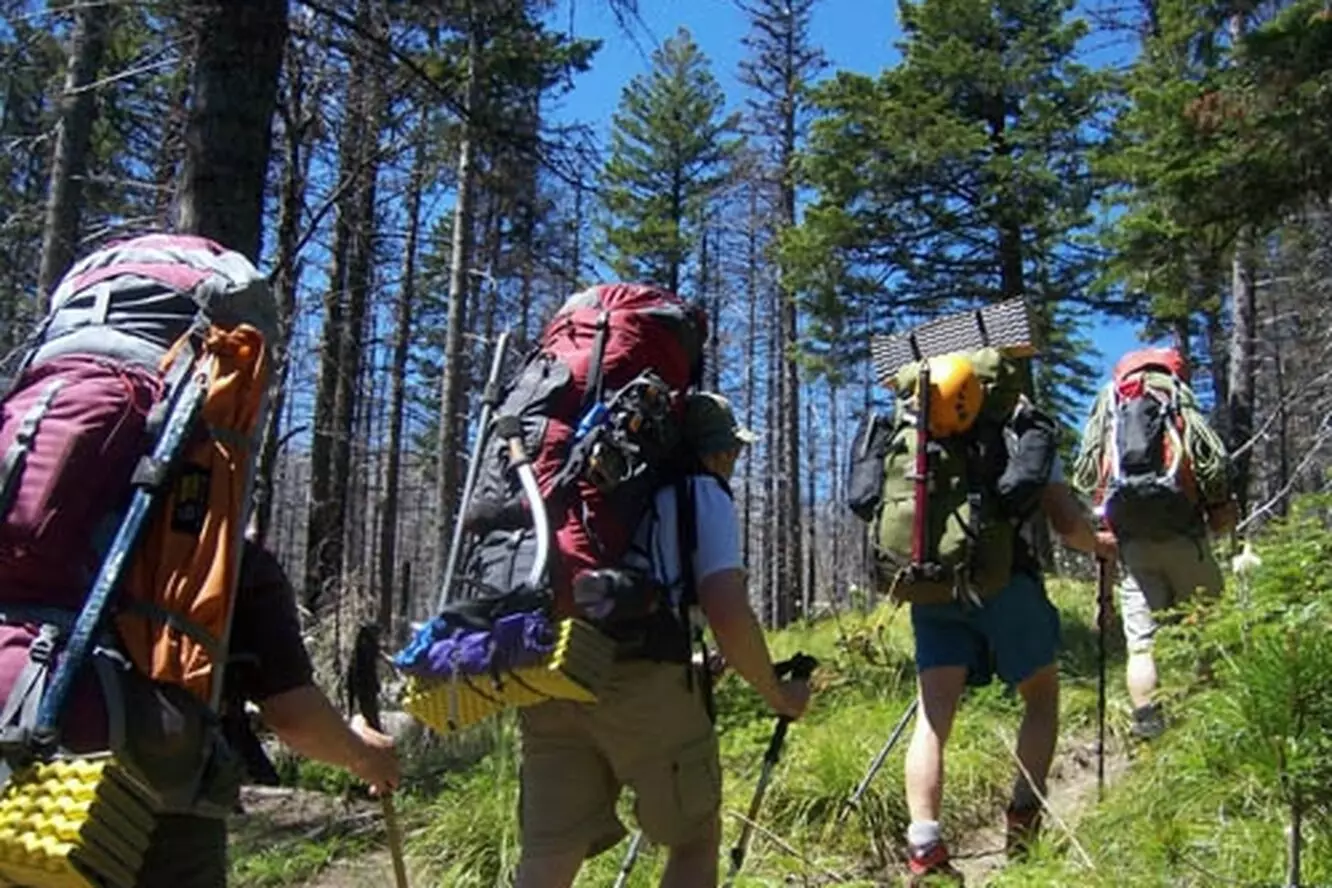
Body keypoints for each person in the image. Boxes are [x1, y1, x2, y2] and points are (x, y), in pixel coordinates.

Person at [512, 392, 812, 888]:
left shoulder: (596, 489)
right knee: (694, 840)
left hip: (550, 673)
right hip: (637, 681)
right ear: (714, 451)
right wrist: (778, 695)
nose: (733, 462)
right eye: (731, 451)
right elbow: (728, 612)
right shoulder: (700, 492)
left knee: (549, 856)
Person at [0, 540, 401, 888]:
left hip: (14, 747)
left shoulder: (27, 524)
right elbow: (292, 715)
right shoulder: (218, 552)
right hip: (154, 803)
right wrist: (363, 755)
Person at [902, 392, 1117, 885]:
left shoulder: (917, 430)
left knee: (932, 718)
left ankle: (925, 847)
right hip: (1006, 582)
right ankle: (1024, 821)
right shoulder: (1021, 427)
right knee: (1040, 697)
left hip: (932, 585)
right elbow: (1066, 524)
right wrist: (1099, 545)